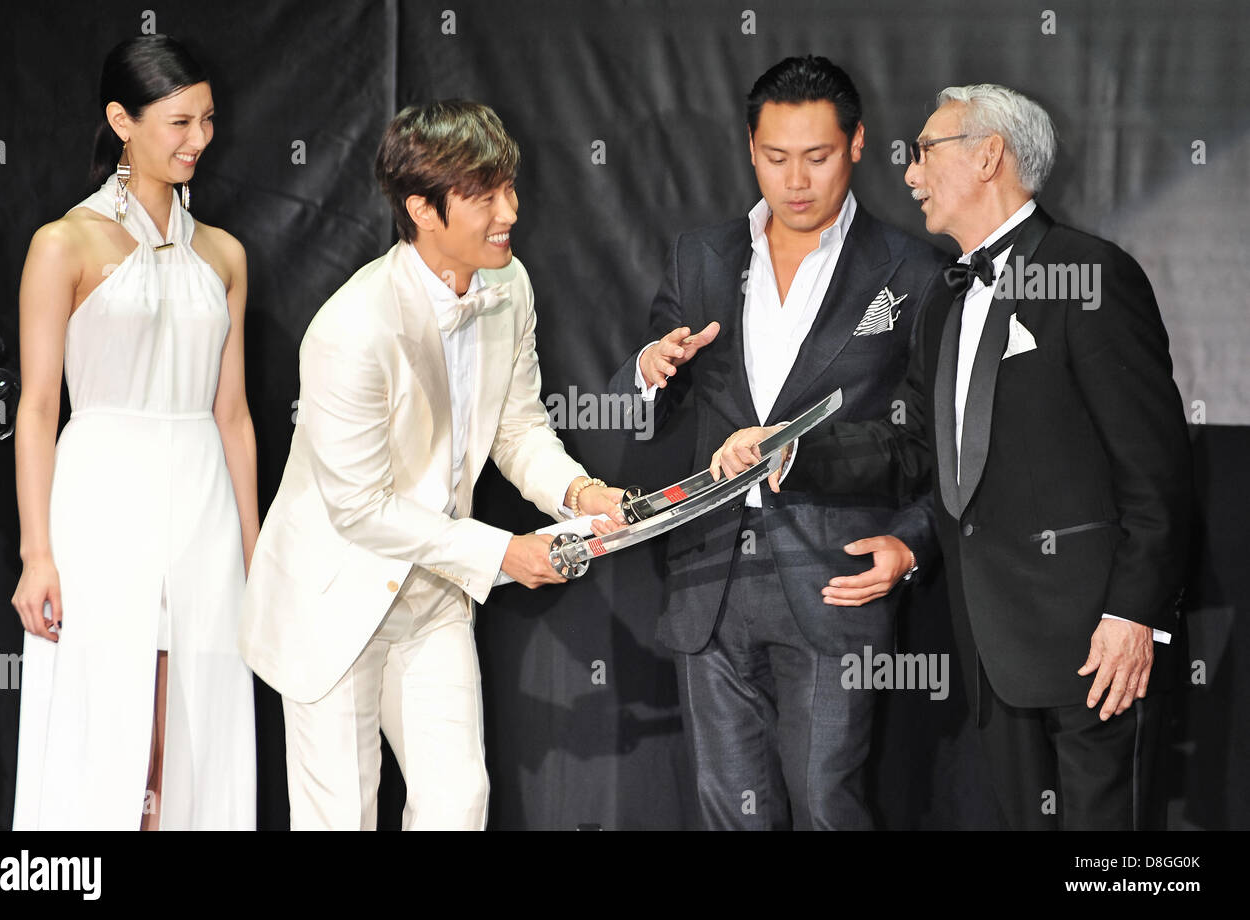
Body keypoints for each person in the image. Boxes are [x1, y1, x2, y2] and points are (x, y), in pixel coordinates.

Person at [714, 83, 1192, 830]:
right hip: (992, 652)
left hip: (1098, 647)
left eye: (926, 152)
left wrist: (1135, 614)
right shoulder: (943, 299)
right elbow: (910, 447)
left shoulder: (1088, 276)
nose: (909, 175)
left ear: (989, 156)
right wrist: (788, 455)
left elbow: (1156, 469)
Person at [240, 100, 625, 831]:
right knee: (338, 818)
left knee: (458, 805)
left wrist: (579, 490)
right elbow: (360, 509)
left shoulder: (509, 286)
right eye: (484, 196)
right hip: (335, 595)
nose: (509, 210)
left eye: (509, 187)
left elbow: (517, 427)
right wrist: (505, 551)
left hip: (434, 592)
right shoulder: (351, 330)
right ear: (422, 209)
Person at [609, 55, 947, 830]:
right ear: (750, 150)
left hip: (835, 577)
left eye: (818, 156)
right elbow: (646, 409)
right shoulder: (702, 254)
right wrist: (647, 374)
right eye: (775, 157)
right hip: (710, 580)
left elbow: (935, 444)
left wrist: (911, 544)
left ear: (858, 144)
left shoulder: (914, 273)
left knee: (830, 805)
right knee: (728, 812)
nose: (795, 180)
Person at [11, 35, 257, 830]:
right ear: (122, 120)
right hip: (100, 501)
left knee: (192, 727)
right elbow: (39, 408)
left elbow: (233, 415)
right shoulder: (63, 244)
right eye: (179, 122)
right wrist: (36, 552)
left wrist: (255, 550)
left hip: (202, 508)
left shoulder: (223, 255)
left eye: (208, 120)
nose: (198, 140)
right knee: (106, 724)